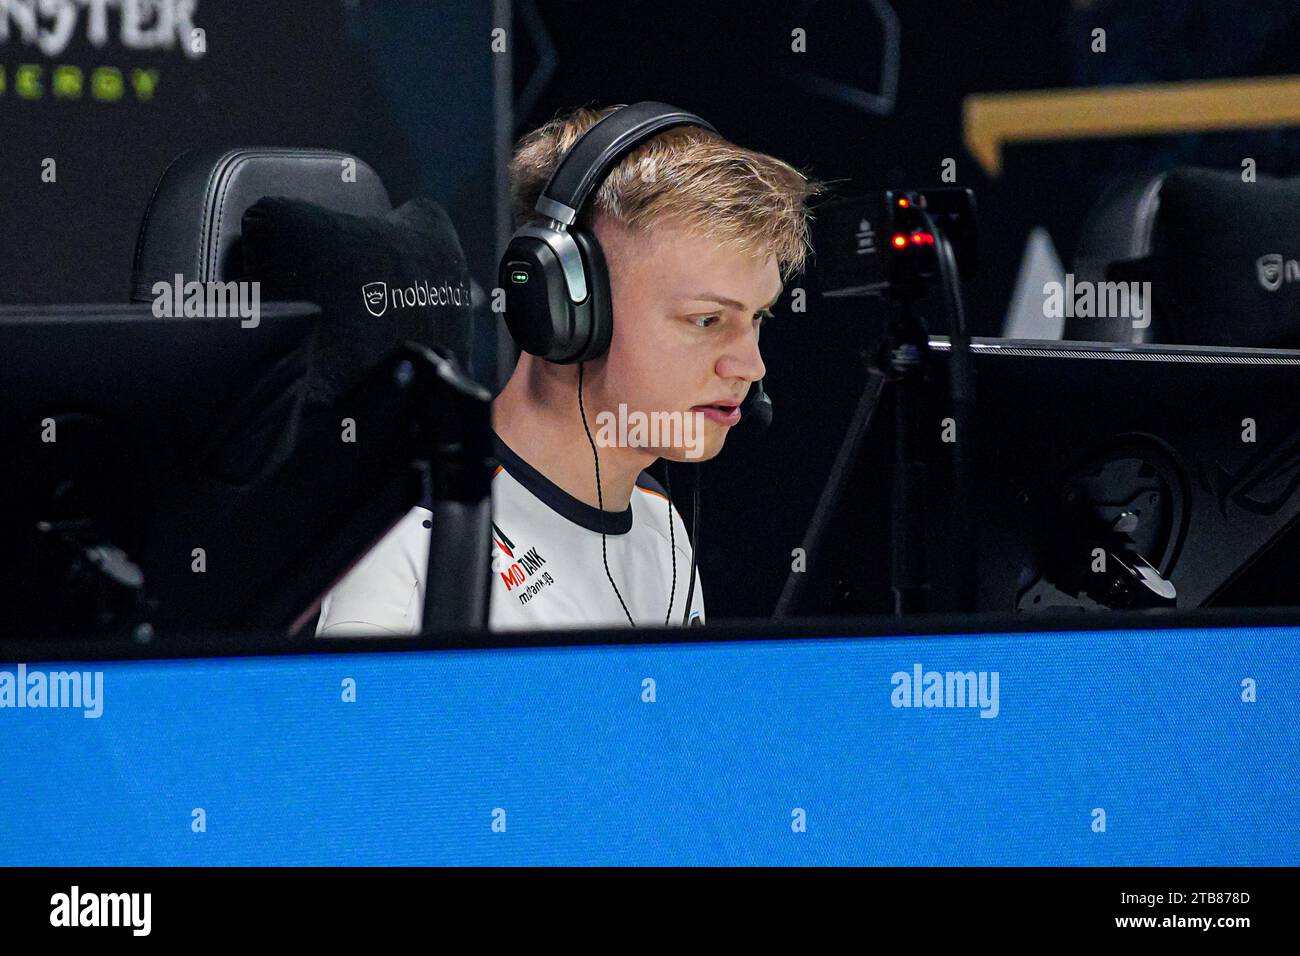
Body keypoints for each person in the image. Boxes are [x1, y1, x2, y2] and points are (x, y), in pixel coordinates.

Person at [316, 103, 823, 634]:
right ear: (561, 308)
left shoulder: (661, 529)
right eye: (706, 319)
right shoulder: (412, 541)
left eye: (757, 316)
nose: (749, 365)